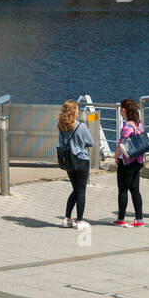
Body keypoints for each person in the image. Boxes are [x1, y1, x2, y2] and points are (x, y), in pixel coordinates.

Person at [58, 99, 93, 231]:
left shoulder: (61, 127)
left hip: (68, 161)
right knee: (81, 191)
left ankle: (67, 218)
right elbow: (90, 142)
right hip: (81, 160)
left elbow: (61, 144)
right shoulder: (81, 126)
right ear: (74, 112)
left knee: (75, 189)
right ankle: (79, 220)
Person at [114, 99, 145, 226]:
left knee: (122, 190)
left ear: (124, 110)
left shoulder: (127, 126)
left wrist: (116, 157)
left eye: (121, 108)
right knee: (135, 190)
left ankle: (121, 218)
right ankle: (139, 219)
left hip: (127, 162)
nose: (120, 110)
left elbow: (121, 144)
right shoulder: (138, 124)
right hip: (138, 161)